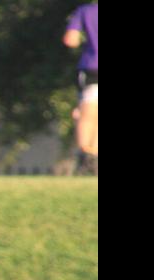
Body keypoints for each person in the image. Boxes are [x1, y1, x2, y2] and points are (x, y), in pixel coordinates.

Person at [63, 2, 98, 172]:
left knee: (87, 111)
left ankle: (86, 154)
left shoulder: (86, 11)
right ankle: (95, 153)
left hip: (91, 65)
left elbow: (71, 40)